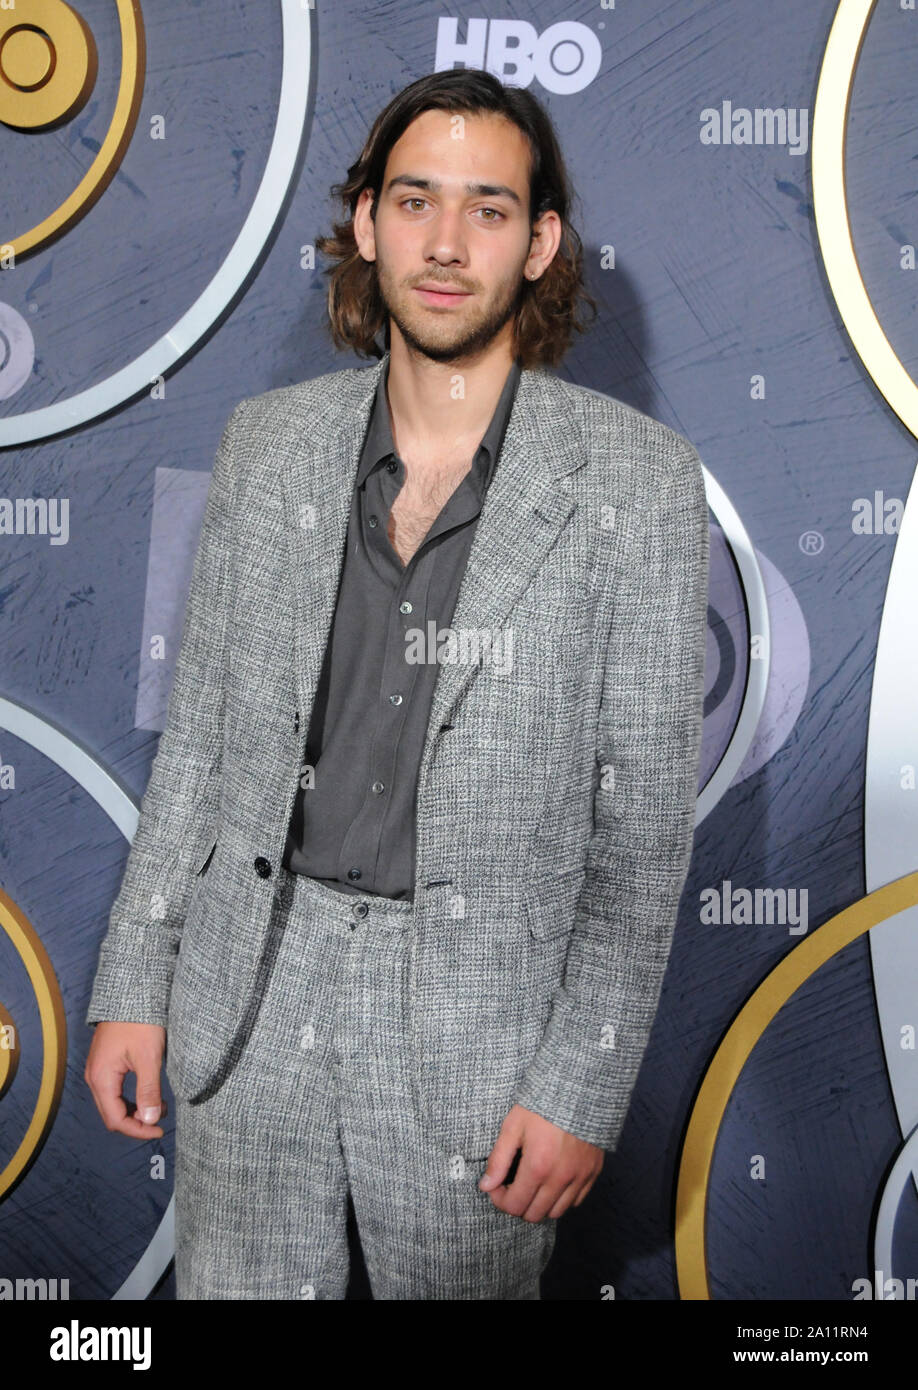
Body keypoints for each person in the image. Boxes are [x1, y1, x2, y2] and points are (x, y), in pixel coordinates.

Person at [84, 68, 710, 1300]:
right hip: (249, 999)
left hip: (477, 1033)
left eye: (487, 210)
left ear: (539, 245)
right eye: (415, 200)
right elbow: (201, 746)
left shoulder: (640, 485)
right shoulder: (268, 447)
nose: (443, 241)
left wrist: (580, 1082)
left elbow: (639, 842)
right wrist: (131, 984)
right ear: (364, 224)